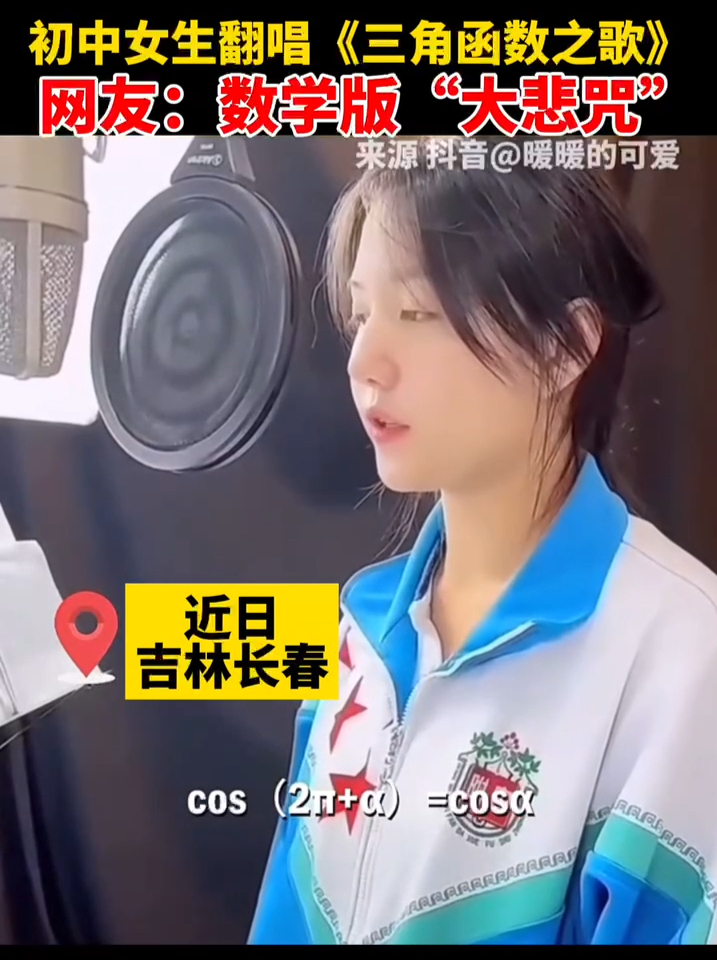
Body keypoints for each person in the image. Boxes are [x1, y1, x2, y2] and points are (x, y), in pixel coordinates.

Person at [249, 140, 717, 946]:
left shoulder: (680, 655)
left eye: (417, 313)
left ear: (564, 346)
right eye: (360, 314)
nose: (364, 362)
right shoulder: (357, 635)